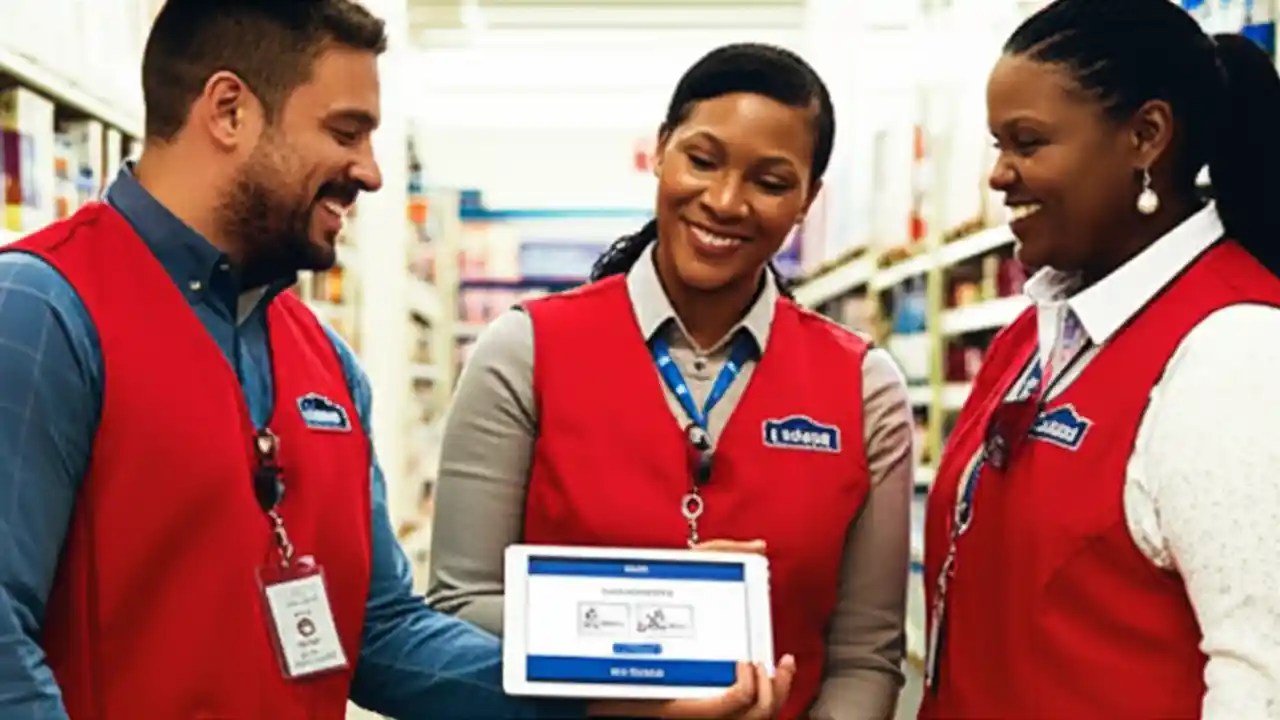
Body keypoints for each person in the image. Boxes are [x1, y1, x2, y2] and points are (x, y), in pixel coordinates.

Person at [0, 2, 794, 718]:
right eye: (346, 132)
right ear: (230, 111)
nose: (371, 172)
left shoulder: (323, 363)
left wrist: (621, 689)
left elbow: (380, 631)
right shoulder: (44, 310)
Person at [427, 42, 914, 720]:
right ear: (660, 151)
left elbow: (865, 656)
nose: (725, 201)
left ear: (808, 200)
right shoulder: (524, 351)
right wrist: (657, 605)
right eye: (702, 160)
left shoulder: (864, 388)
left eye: (771, 182)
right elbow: (460, 607)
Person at [920, 1, 1280, 717]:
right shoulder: (1033, 336)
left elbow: (1262, 678)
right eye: (997, 144)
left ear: (1146, 136)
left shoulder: (1234, 352)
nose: (999, 175)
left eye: (1027, 142)